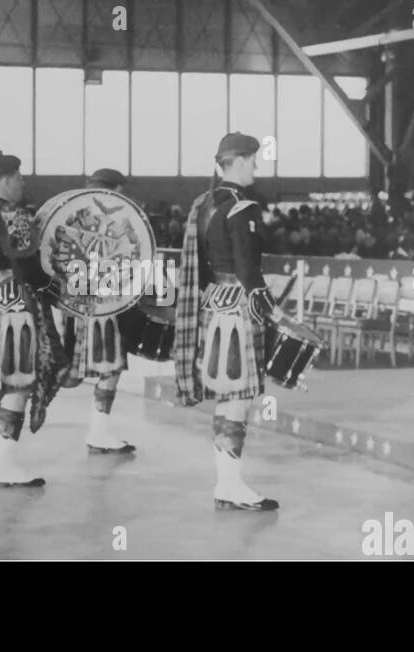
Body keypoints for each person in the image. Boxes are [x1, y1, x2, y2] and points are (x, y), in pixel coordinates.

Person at [174, 132, 281, 512]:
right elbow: (249, 272)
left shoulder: (204, 204)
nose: (256, 166)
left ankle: (227, 482)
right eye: (253, 160)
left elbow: (203, 266)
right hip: (237, 310)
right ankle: (231, 485)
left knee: (226, 398)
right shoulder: (242, 207)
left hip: (212, 308)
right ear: (236, 161)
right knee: (238, 399)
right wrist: (278, 314)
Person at [0, 151, 68, 487]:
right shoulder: (13, 216)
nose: (23, 184)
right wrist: (58, 291)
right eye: (20, 178)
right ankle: (3, 462)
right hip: (20, 309)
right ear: (6, 180)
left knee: (11, 384)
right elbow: (30, 270)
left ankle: (0, 459)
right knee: (20, 384)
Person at [58, 168, 137, 454]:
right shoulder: (114, 219)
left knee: (77, 366)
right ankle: (99, 430)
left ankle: (98, 430)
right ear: (113, 190)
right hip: (102, 305)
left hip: (74, 303)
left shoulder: (70, 214)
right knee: (111, 366)